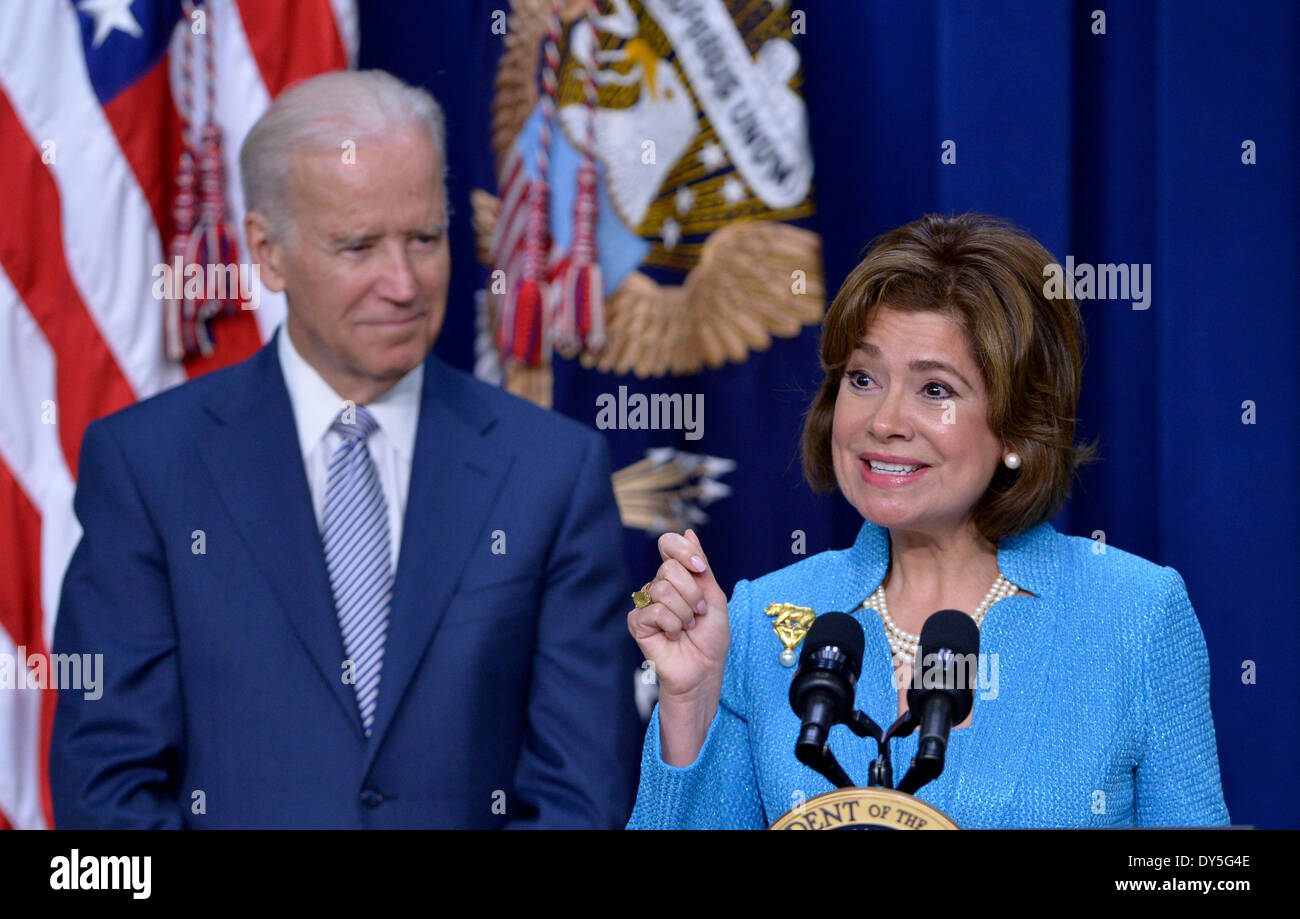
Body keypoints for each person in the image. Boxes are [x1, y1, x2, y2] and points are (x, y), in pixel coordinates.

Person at [49, 70, 638, 829]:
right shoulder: (147, 468)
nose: (404, 282)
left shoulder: (553, 472)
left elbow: (580, 798)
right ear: (267, 251)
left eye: (425, 238)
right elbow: (108, 795)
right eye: (358, 246)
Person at [626, 213, 1230, 828]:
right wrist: (689, 701)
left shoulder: (1136, 615)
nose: (883, 420)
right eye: (863, 379)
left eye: (935, 389)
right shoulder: (762, 619)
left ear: (1017, 427)